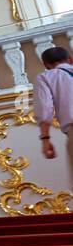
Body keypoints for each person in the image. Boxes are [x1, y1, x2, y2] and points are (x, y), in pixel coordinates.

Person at [35, 46, 73, 177]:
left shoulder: (46, 77)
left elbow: (45, 110)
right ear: (70, 60)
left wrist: (45, 140)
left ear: (46, 65)